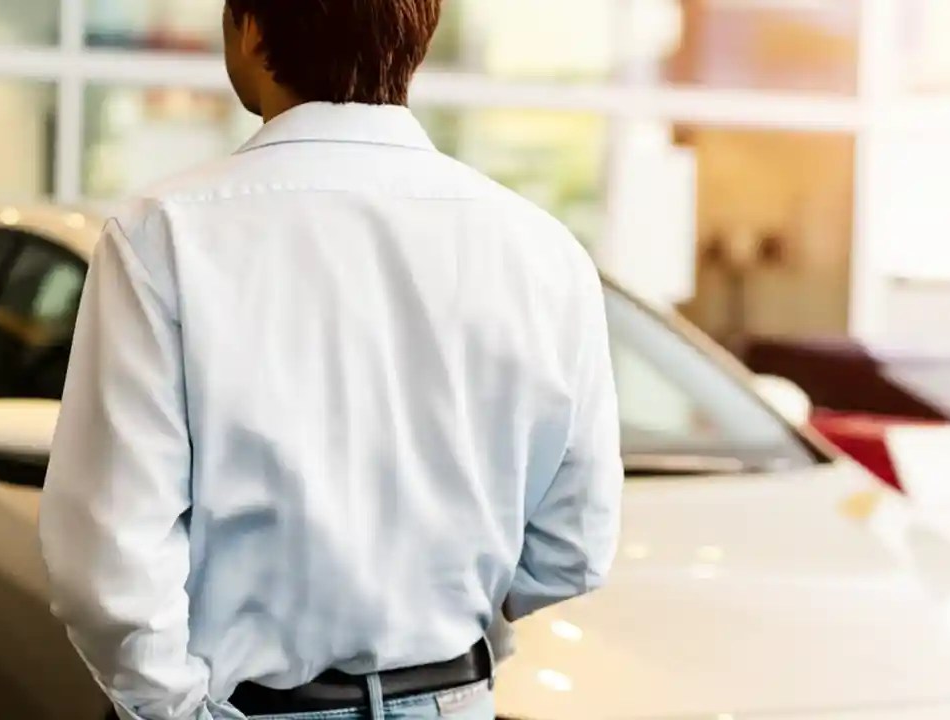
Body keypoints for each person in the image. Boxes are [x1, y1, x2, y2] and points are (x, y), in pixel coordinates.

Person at [38, 1, 624, 719]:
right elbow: (575, 549)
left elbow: (109, 561)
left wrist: (174, 710)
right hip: (453, 699)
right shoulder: (546, 252)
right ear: (419, 38)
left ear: (251, 27)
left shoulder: (165, 236)